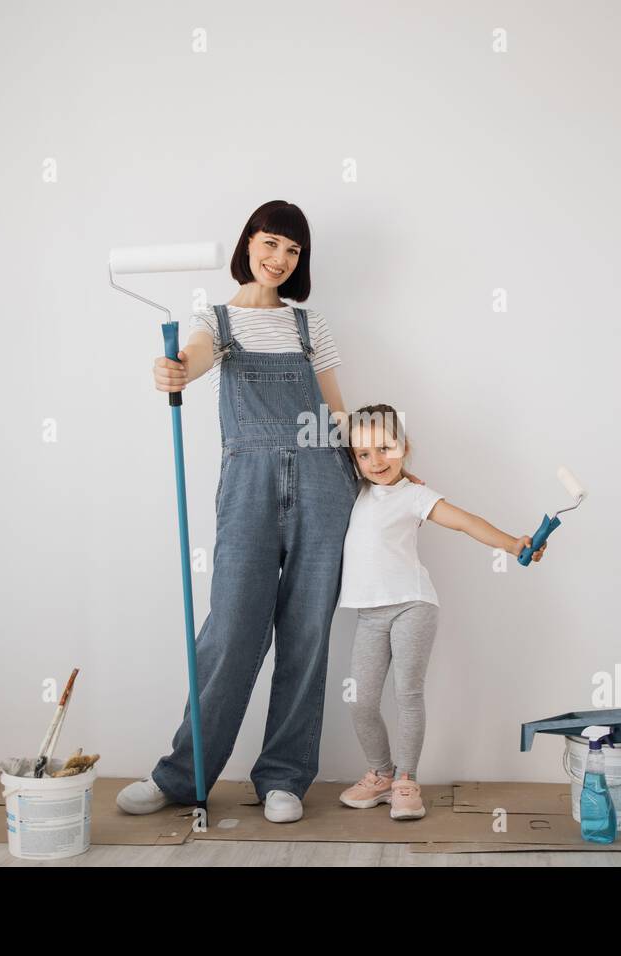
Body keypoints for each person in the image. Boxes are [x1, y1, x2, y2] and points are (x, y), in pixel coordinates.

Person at [117, 200, 418, 824]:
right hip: (248, 486)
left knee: (305, 635)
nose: (280, 258)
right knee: (230, 630)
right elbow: (197, 355)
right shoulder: (216, 318)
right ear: (248, 242)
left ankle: (284, 777)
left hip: (324, 483)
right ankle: (183, 774)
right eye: (271, 242)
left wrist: (382, 466)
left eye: (293, 250)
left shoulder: (311, 327)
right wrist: (177, 371)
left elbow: (336, 414)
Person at [335, 404, 547, 820]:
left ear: (404, 446)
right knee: (361, 700)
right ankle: (381, 773)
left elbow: (466, 522)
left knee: (407, 694)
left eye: (385, 448)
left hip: (413, 605)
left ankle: (406, 780)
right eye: (364, 454)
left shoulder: (415, 495)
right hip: (369, 614)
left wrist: (512, 544)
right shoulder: (354, 491)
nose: (376, 461)